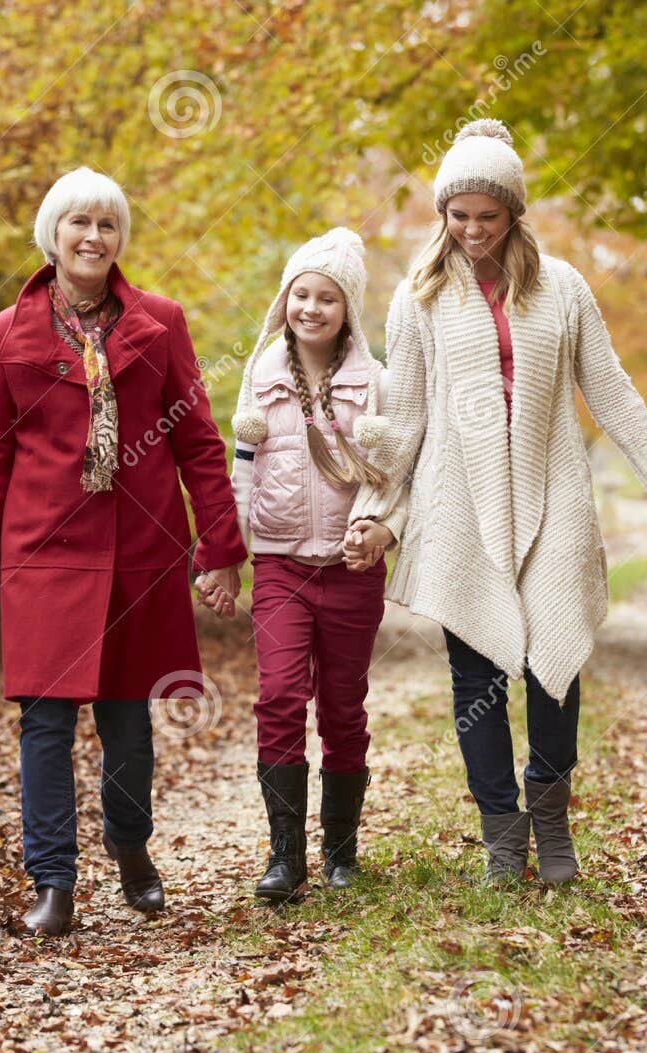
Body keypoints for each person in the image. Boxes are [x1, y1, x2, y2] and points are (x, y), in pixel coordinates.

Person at [343, 121, 647, 883]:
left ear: (514, 213)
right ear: (442, 214)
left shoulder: (563, 287)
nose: (474, 231)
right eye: (460, 215)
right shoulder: (418, 297)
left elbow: (609, 388)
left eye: (489, 215)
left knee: (554, 663)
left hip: (551, 497)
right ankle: (501, 837)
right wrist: (378, 510)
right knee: (476, 678)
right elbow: (409, 416)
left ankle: (552, 828)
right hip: (459, 504)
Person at [0, 167, 246, 935]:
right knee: (44, 721)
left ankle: (130, 845)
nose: (93, 237)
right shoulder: (5, 333)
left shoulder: (161, 321)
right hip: (41, 552)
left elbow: (197, 442)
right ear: (52, 235)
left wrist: (220, 546)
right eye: (79, 223)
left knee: (127, 717)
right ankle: (53, 883)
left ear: (120, 239)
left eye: (108, 225)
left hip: (138, 551)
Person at [227, 227, 393, 901]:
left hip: (352, 571)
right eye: (302, 294)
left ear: (347, 309)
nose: (312, 308)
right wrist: (225, 552)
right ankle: (284, 855)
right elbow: (242, 466)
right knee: (278, 696)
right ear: (285, 299)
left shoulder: (374, 381)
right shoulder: (262, 374)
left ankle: (343, 853)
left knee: (343, 705)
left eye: (328, 298)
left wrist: (375, 526)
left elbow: (391, 472)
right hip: (280, 565)